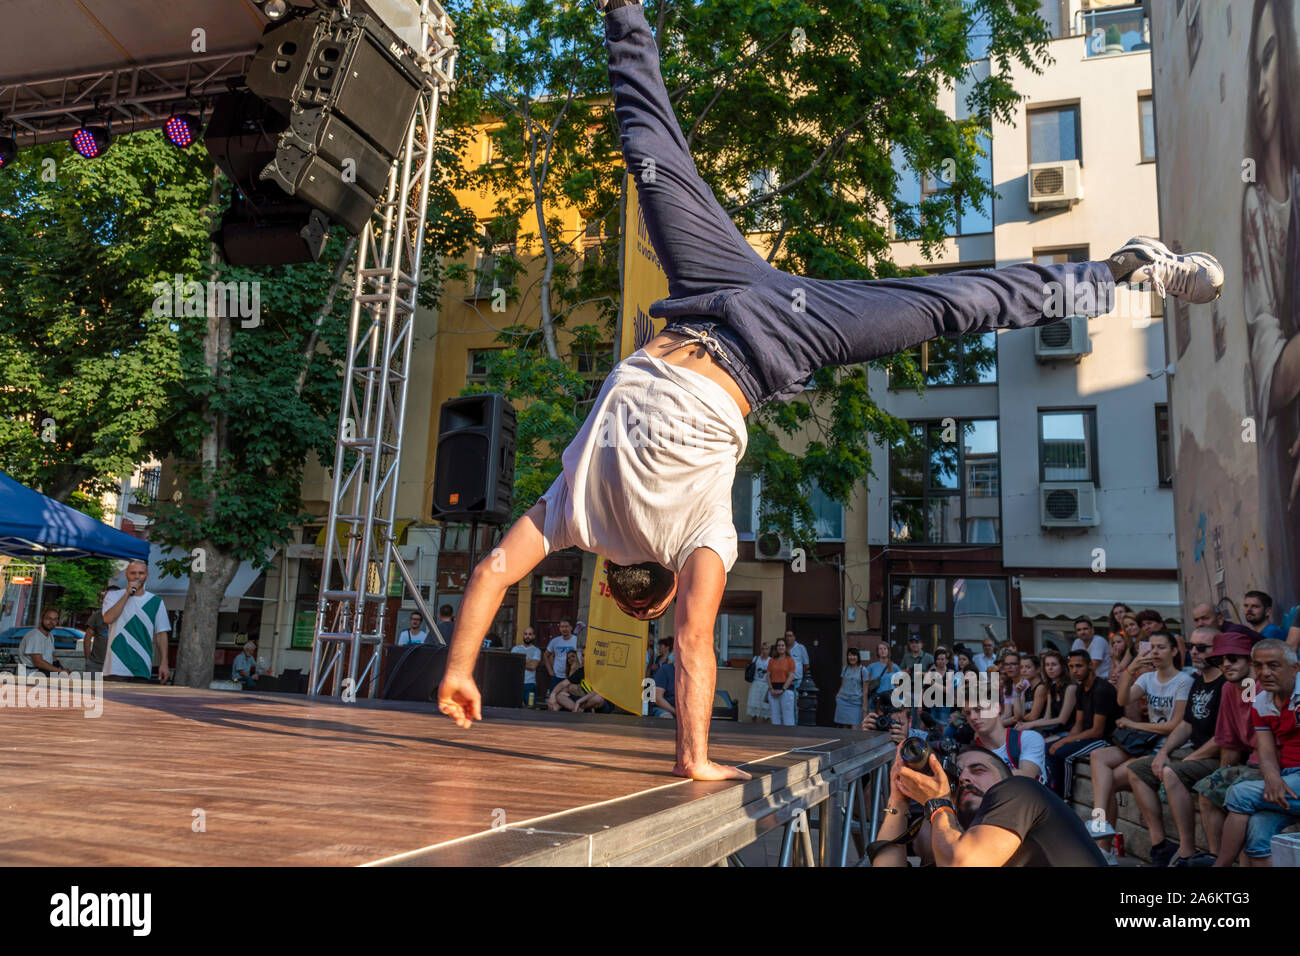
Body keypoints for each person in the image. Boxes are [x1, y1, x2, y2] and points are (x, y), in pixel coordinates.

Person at [437, 0, 1225, 780]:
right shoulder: (574, 509)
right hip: (725, 306)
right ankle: (622, 9)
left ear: (657, 588)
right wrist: (459, 668)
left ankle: (1121, 272)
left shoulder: (693, 542)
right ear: (616, 578)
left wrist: (697, 759)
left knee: (947, 307)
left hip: (761, 327)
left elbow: (692, 644)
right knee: (650, 146)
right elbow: (495, 576)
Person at [1241, 0, 1300, 615]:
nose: (1261, 84)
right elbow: (1272, 371)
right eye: (1252, 65)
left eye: (1269, 58)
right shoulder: (1256, 207)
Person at [880, 743, 1106, 866]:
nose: (964, 779)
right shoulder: (959, 841)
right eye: (958, 776)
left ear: (1004, 778)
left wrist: (938, 803)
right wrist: (897, 800)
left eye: (978, 770)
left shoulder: (1020, 790)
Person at [1127, 626, 1224, 866]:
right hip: (1194, 751)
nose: (1195, 652)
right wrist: (1163, 751)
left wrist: (1192, 759)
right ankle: (1160, 844)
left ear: (1219, 649)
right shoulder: (1199, 681)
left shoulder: (1226, 684)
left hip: (1217, 756)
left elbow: (1225, 737)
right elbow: (1186, 725)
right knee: (1137, 769)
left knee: (1171, 773)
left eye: (1202, 648)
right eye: (1192, 647)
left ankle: (1186, 853)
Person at [1090, 632, 1193, 838]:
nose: (1155, 651)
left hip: (1171, 745)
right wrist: (1131, 669)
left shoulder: (1184, 680)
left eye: (1161, 647)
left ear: (1174, 651)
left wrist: (1134, 724)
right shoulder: (1147, 678)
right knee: (1097, 757)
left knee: (1106, 782)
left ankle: (1103, 837)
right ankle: (1099, 823)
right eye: (1152, 647)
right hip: (1149, 741)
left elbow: (1174, 725)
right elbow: (1122, 699)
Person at [1215, 639, 1300, 866]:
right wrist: (1272, 778)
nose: (1265, 673)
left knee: (1240, 794)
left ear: (1295, 668)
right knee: (1257, 833)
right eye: (1259, 666)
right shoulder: (1262, 701)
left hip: (1296, 779)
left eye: (1273, 665)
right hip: (1289, 778)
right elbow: (1266, 752)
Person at [1194, 626, 1265, 861]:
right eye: (1220, 660)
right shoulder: (1227, 688)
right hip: (1250, 764)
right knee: (1207, 791)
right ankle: (1215, 856)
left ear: (1250, 660)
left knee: (1238, 797)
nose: (1226, 664)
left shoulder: (1264, 686)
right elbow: (1229, 741)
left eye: (1233, 658)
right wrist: (1223, 777)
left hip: (1273, 765)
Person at [1046, 650, 1119, 800]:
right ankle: (1050, 792)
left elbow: (1097, 731)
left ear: (1091, 665)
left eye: (1079, 666)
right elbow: (1079, 724)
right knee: (1048, 749)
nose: (1075, 671)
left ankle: (1063, 799)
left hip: (1106, 739)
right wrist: (1064, 740)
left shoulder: (1101, 689)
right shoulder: (1080, 688)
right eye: (1071, 667)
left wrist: (1065, 741)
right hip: (1088, 735)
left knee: (1063, 754)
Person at [101, 559, 171, 682]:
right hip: (115, 666)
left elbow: (161, 634)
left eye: (141, 573)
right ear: (126, 574)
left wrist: (164, 663)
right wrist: (127, 594)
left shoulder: (155, 602)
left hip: (142, 666)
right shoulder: (113, 596)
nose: (137, 576)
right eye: (133, 573)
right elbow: (108, 618)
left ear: (147, 575)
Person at [962, 701, 1046, 782]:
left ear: (996, 708)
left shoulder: (1028, 738)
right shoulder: (970, 753)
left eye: (979, 709)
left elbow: (1026, 776)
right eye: (968, 713)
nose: (972, 717)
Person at [1017, 649, 1075, 737]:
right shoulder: (1051, 688)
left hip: (1069, 732)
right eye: (1047, 665)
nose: (1050, 668)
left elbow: (1062, 719)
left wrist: (1031, 724)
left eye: (1054, 665)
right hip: (1054, 731)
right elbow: (1047, 717)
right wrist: (1024, 724)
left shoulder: (1070, 688)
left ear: (1062, 666)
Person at [18, 608, 69, 675]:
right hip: (30, 675)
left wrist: (61, 668)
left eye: (55, 619)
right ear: (41, 620)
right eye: (48, 618)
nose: (51, 622)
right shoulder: (35, 636)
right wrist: (59, 671)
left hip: (43, 673)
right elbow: (38, 662)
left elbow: (52, 656)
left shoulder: (50, 636)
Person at [543, 619, 579, 693]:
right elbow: (546, 655)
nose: (564, 629)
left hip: (571, 677)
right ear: (559, 628)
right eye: (562, 627)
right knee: (553, 699)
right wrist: (550, 671)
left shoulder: (576, 641)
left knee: (568, 699)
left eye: (566, 626)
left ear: (571, 628)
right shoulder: (555, 641)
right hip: (557, 677)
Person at [1011, 653, 1048, 727]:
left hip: (1041, 728)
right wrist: (1017, 693)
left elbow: (1033, 717)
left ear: (1038, 669)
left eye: (1028, 667)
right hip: (1027, 726)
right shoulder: (1027, 690)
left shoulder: (1041, 688)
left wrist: (1022, 719)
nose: (1023, 670)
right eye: (1021, 667)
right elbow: (1017, 716)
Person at [834, 646, 866, 728]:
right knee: (844, 727)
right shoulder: (845, 669)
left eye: (854, 655)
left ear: (858, 657)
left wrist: (865, 705)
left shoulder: (863, 670)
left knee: (855, 727)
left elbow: (865, 689)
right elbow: (843, 684)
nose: (852, 657)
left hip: (856, 702)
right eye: (850, 655)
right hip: (843, 700)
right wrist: (837, 696)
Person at [767, 636, 797, 726]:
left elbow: (791, 676)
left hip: (786, 691)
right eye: (779, 645)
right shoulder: (772, 660)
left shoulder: (790, 660)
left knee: (788, 718)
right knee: (775, 719)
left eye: (783, 645)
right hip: (773, 692)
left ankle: (789, 739)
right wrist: (771, 689)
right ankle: (776, 738)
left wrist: (783, 689)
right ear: (776, 647)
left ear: (785, 647)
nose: (781, 647)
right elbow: (768, 676)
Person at [511, 626, 543, 707]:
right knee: (514, 709)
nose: (527, 636)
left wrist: (519, 661)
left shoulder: (536, 650)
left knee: (530, 707)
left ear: (533, 636)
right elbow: (512, 665)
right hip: (516, 683)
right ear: (523, 635)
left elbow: (533, 667)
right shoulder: (515, 649)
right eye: (525, 634)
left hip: (529, 684)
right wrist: (528, 661)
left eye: (530, 634)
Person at [1071, 616, 1110, 680]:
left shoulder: (1099, 641)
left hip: (1103, 679)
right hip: (1086, 679)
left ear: (1092, 630)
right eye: (1079, 630)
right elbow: (1071, 663)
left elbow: (1092, 666)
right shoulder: (1077, 642)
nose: (1082, 632)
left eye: (1085, 629)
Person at [746, 642, 771, 722]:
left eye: (766, 649)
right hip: (756, 684)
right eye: (763, 649)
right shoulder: (756, 659)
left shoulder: (771, 660)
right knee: (754, 707)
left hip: (766, 685)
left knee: (766, 708)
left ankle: (764, 730)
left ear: (769, 650)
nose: (764, 651)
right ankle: (753, 727)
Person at [785, 629, 810, 693]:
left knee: (795, 700)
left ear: (794, 637)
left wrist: (798, 674)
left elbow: (806, 665)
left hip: (796, 680)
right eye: (786, 636)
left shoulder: (801, 647)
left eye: (790, 636)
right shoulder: (783, 648)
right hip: (784, 680)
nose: (788, 638)